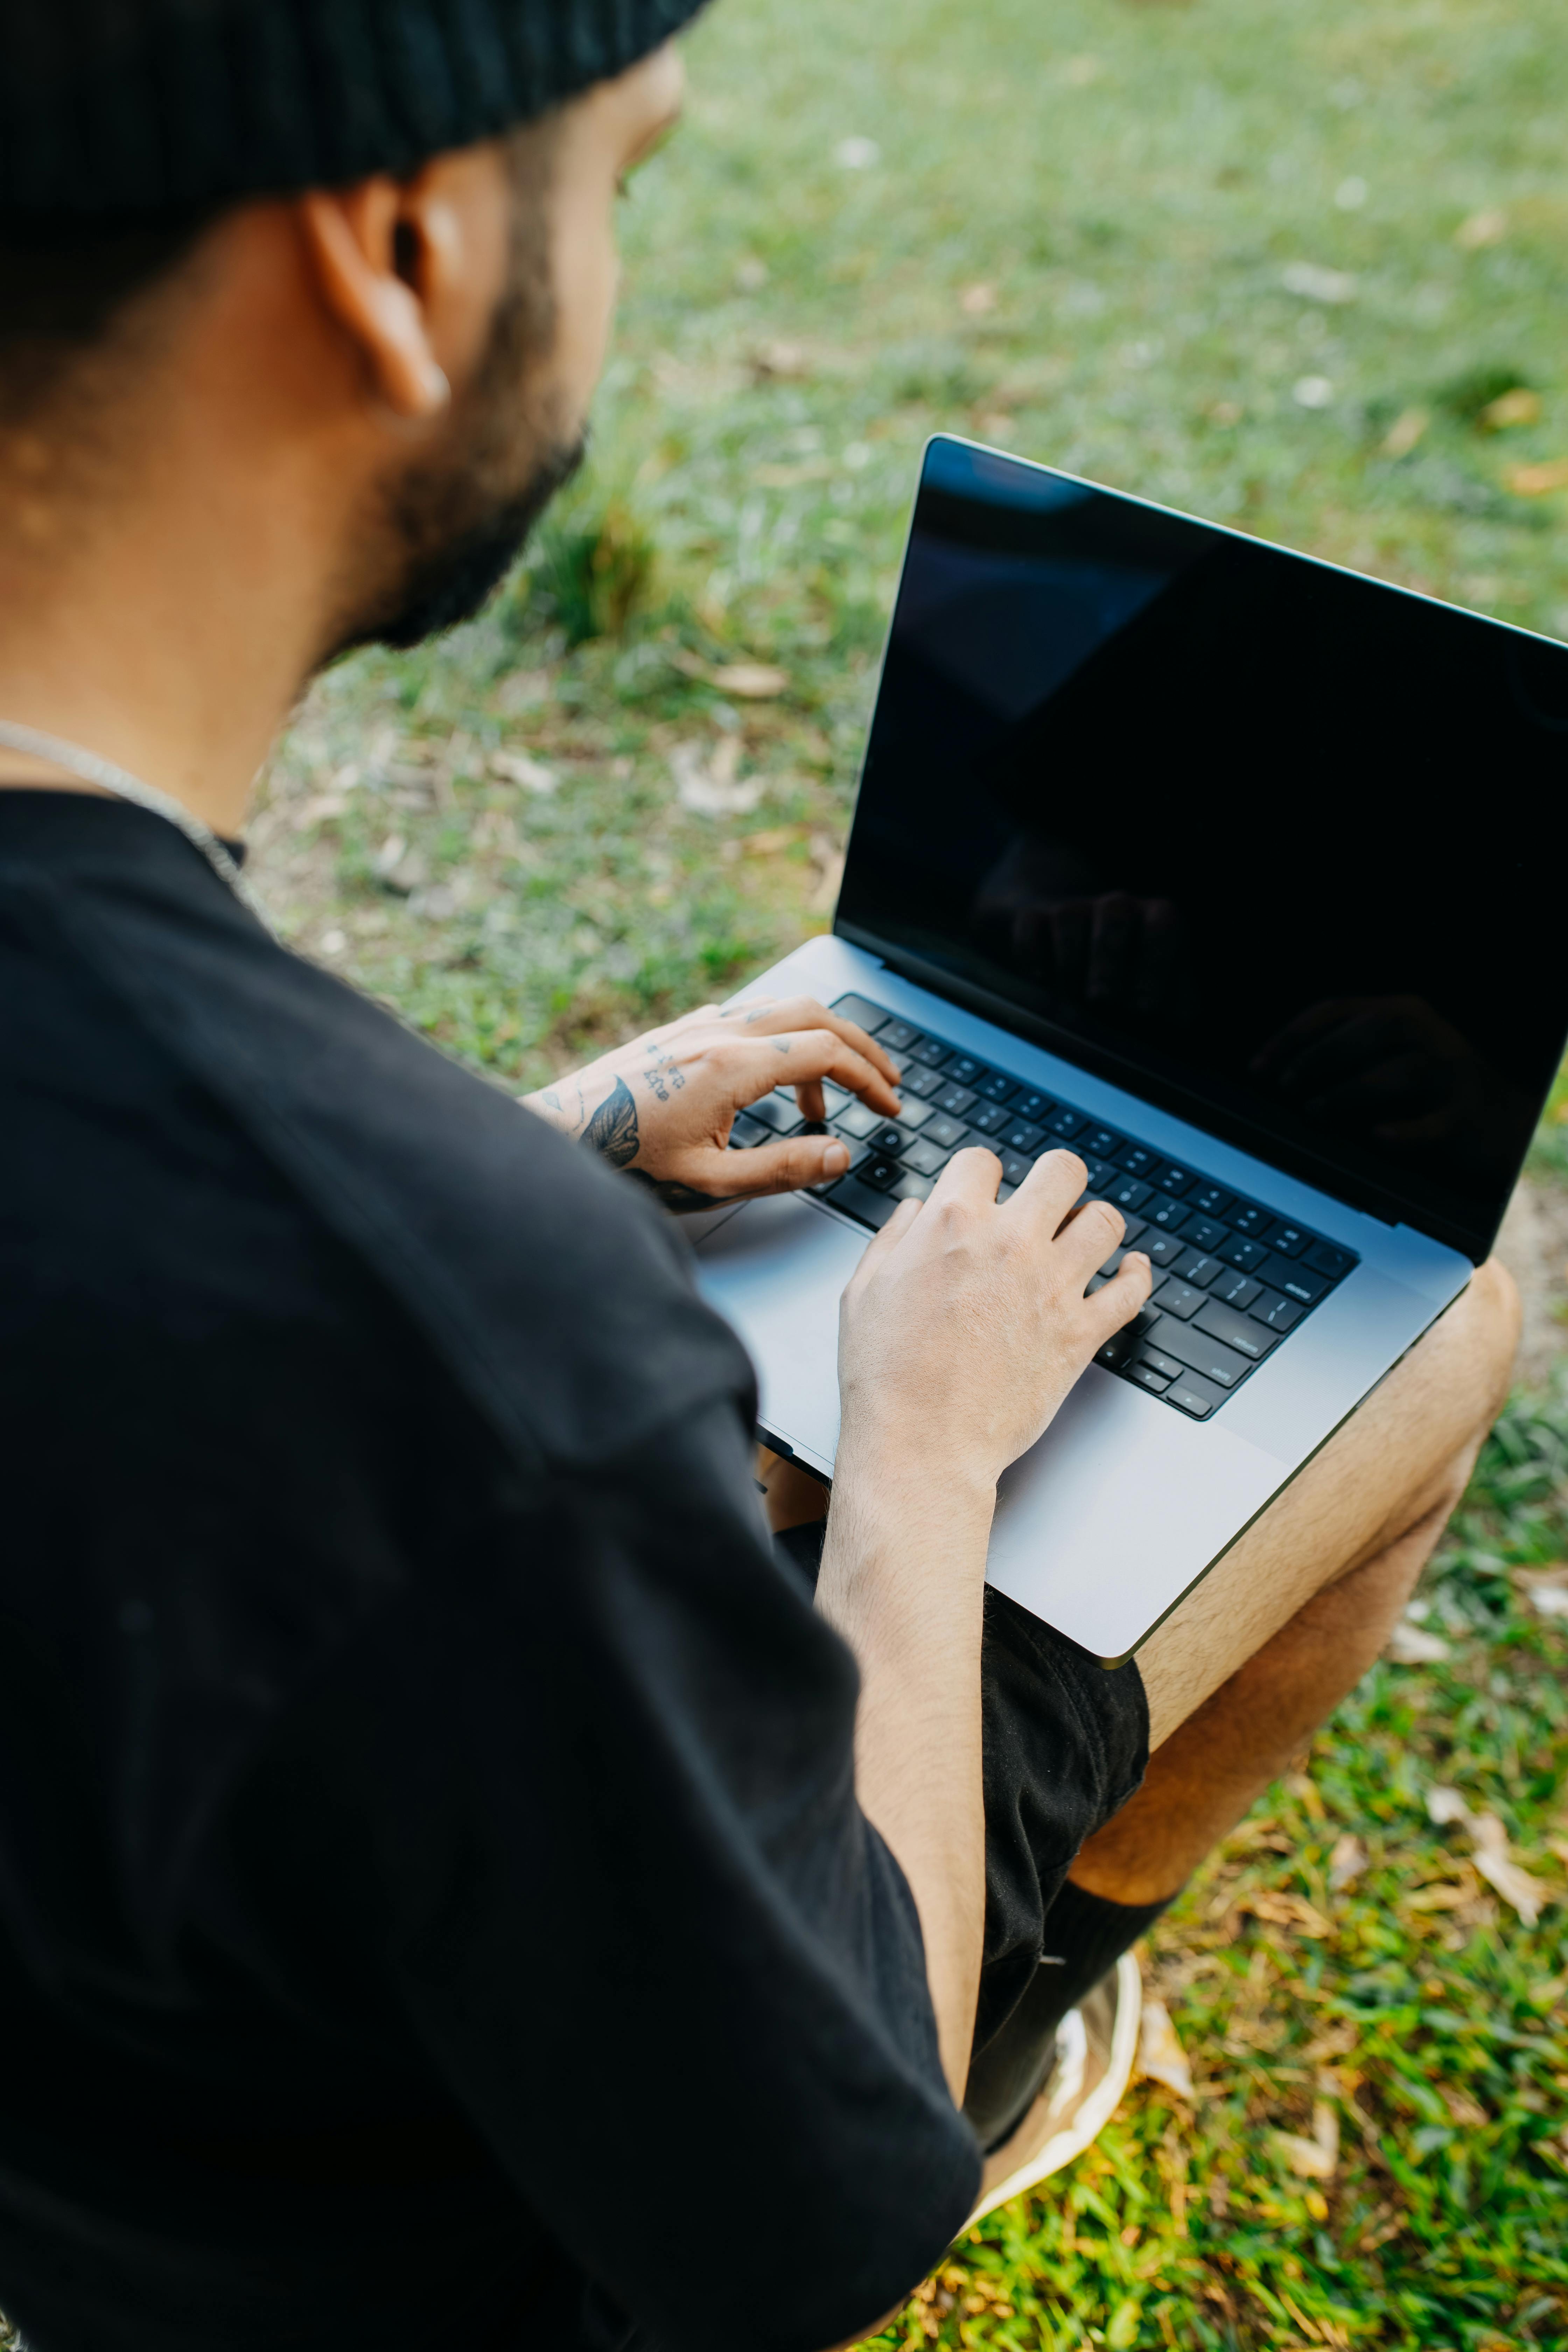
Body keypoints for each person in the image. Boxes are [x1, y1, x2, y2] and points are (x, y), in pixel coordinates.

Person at [0, 6, 1520, 2349]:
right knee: (1450, 1332)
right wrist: (922, 1447)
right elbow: (817, 2224)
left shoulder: (374, 1251)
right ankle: (1009, 2026)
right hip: (504, 2264)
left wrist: (567, 1148)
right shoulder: (489, 1347)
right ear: (403, 253)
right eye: (619, 180)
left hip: (142, 2147)